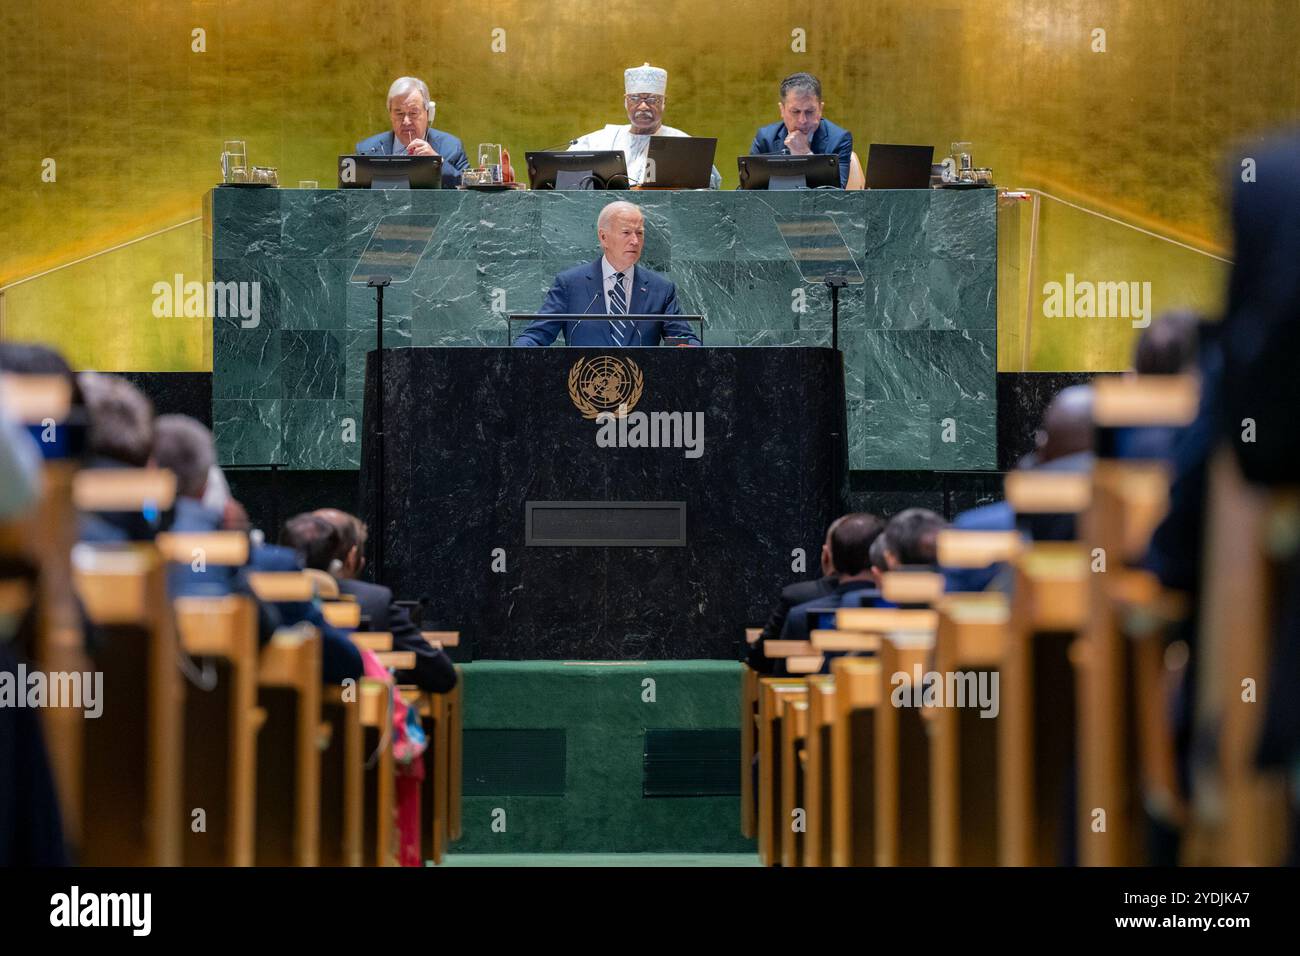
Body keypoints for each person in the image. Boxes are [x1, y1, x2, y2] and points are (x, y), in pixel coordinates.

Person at [283, 512, 456, 694]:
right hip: (351, 708)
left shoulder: (259, 595)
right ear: (352, 557)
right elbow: (442, 678)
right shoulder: (374, 601)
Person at [513, 200, 701, 347]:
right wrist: (508, 357)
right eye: (626, 232)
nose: (635, 241)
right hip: (583, 388)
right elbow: (536, 336)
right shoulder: (570, 284)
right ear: (603, 237)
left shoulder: (661, 289)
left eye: (640, 233)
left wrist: (701, 352)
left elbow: (683, 339)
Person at [568, 63, 720, 188]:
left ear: (664, 103)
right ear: (625, 102)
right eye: (634, 98)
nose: (643, 107)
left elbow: (709, 186)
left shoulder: (682, 142)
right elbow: (565, 170)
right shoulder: (600, 140)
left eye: (652, 100)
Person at [355, 76, 468, 187]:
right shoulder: (366, 150)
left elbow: (468, 189)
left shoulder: (452, 147)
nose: (406, 121)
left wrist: (437, 162)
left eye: (413, 113)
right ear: (390, 114)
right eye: (399, 113)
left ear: (428, 113)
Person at [750, 72, 854, 188]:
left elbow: (836, 194)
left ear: (820, 109)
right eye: (795, 112)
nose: (803, 120)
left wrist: (805, 154)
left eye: (809, 112)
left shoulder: (839, 139)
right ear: (782, 110)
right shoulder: (765, 139)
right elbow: (749, 193)